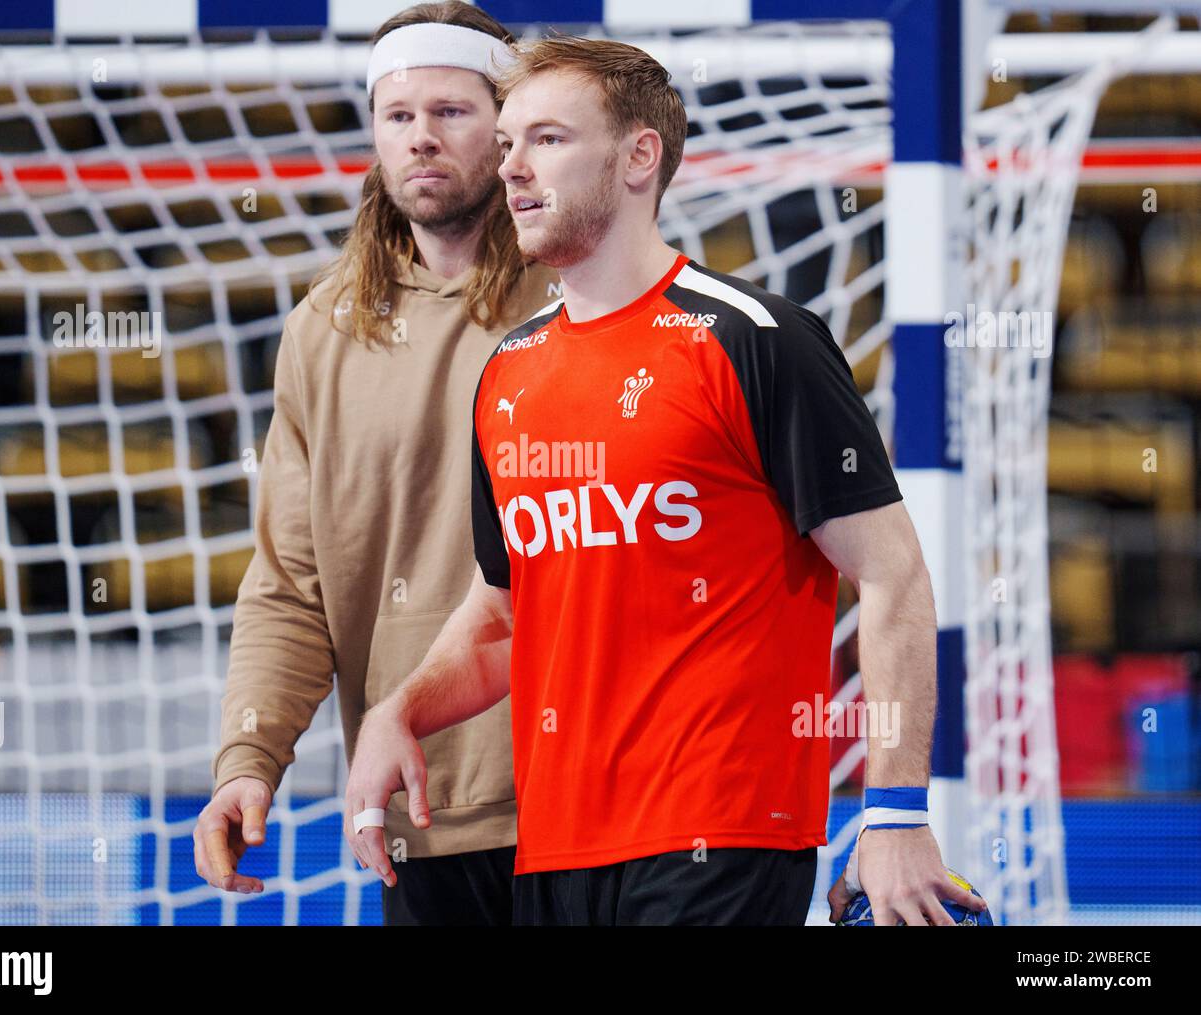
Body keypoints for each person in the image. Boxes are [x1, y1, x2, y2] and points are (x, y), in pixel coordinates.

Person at [344, 34, 991, 926]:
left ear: (639, 156)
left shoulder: (759, 338)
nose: (513, 170)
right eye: (505, 145)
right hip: (556, 850)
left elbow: (892, 573)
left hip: (721, 837)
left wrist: (897, 811)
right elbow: (501, 614)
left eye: (547, 140)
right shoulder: (509, 374)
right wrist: (398, 711)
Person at [193, 2, 560, 926]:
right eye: (398, 117)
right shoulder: (325, 333)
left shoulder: (587, 292)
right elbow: (290, 582)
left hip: (601, 803)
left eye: (451, 113)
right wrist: (249, 757)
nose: (422, 139)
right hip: (420, 811)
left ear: (509, 128)